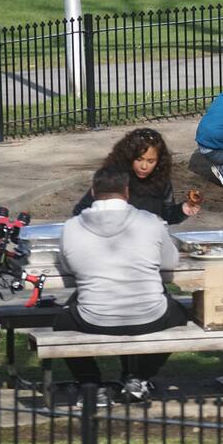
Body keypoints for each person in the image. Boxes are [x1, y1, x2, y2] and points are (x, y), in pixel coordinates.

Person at [56, 167, 187, 406]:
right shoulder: (150, 222)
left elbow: (68, 265)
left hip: (94, 318)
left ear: (93, 191)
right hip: (150, 315)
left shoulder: (72, 226)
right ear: (127, 192)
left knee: (59, 322)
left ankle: (90, 383)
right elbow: (170, 262)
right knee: (181, 313)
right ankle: (139, 377)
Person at [73, 128, 202, 224]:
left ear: (159, 161)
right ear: (129, 157)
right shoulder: (114, 177)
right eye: (139, 160)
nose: (144, 166)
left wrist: (183, 210)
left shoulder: (161, 181)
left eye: (151, 161)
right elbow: (81, 211)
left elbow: (167, 215)